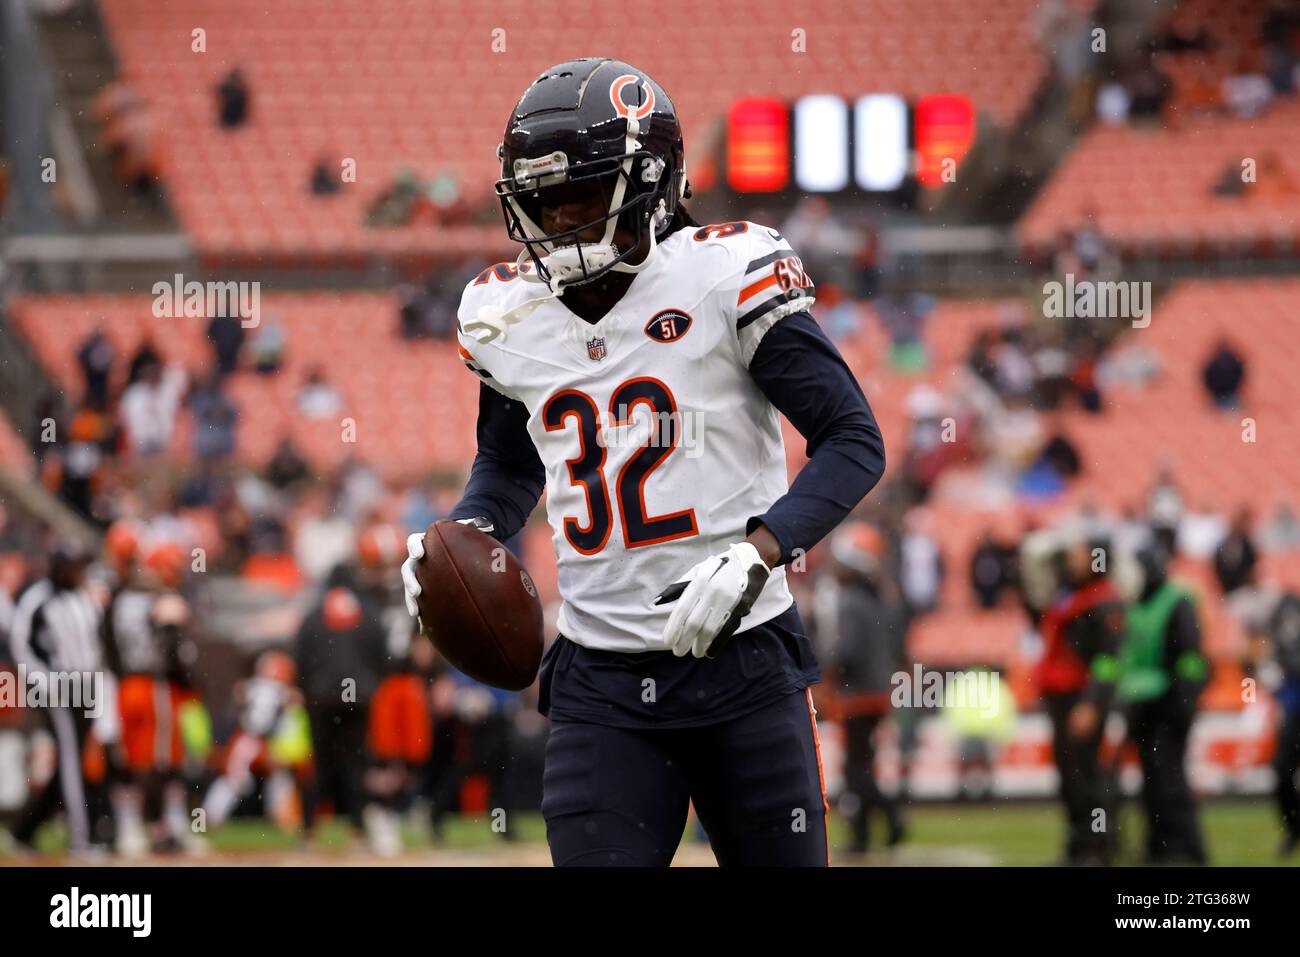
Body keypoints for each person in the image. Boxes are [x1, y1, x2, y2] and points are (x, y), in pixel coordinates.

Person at [401, 59, 885, 867]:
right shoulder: (507, 315)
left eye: (582, 196)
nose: (558, 222)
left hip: (747, 665)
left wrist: (760, 552)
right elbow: (508, 463)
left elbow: (851, 438)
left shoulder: (724, 274)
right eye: (542, 201)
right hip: (602, 682)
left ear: (652, 184)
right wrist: (468, 527)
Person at [1028, 526, 1125, 865]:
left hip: (1081, 698)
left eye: (1080, 552)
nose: (1072, 558)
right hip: (1061, 698)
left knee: (1089, 778)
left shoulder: (1105, 601)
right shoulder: (1070, 594)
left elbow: (1107, 663)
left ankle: (1098, 848)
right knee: (1070, 778)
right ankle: (1078, 846)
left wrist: (1092, 704)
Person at [8, 542, 106, 854]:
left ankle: (25, 830)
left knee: (73, 761)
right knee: (71, 762)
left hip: (86, 685)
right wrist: (43, 680)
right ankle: (82, 838)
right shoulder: (38, 598)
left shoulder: (84, 598)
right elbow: (20, 645)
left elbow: (94, 644)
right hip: (57, 687)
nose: (79, 573)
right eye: (73, 566)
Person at [1117, 542, 1208, 864]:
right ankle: (1159, 846)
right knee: (1151, 781)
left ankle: (1187, 848)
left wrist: (1184, 703)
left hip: (1170, 707)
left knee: (1171, 779)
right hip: (1143, 708)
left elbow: (1190, 657)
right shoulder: (1133, 605)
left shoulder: (1177, 602)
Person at [828, 523, 907, 855]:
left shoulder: (849, 600)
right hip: (876, 692)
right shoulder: (878, 597)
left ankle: (880, 822)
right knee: (862, 766)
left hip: (858, 695)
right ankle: (876, 825)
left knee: (855, 770)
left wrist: (825, 661)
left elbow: (848, 653)